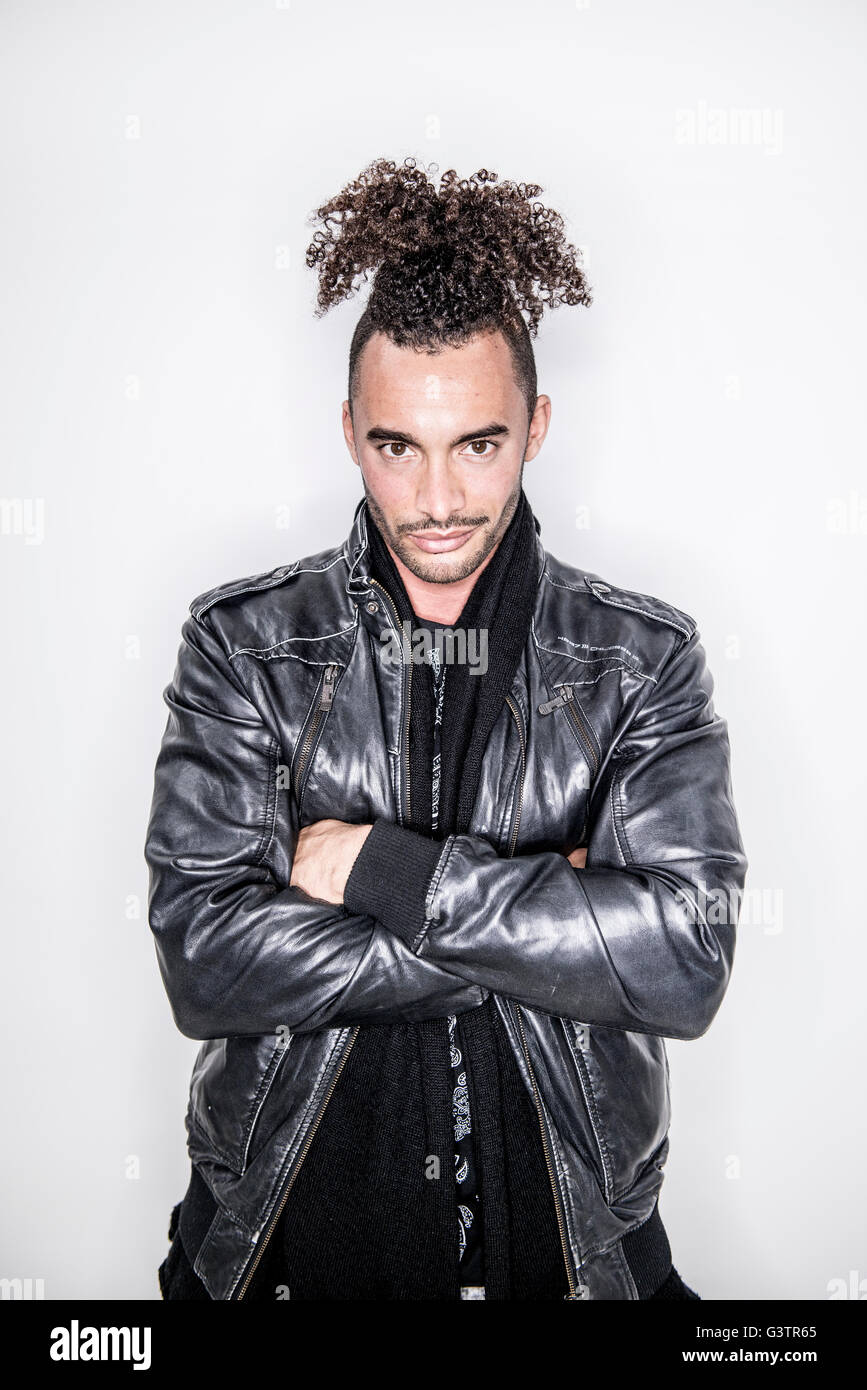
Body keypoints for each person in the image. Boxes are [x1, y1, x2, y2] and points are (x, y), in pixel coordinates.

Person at [145, 156, 747, 1300]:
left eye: (478, 443)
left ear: (536, 425)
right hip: (275, 1254)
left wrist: (378, 867)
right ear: (348, 431)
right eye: (396, 447)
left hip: (576, 1257)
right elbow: (206, 964)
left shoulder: (641, 662)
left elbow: (683, 962)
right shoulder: (245, 646)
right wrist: (550, 930)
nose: (437, 501)